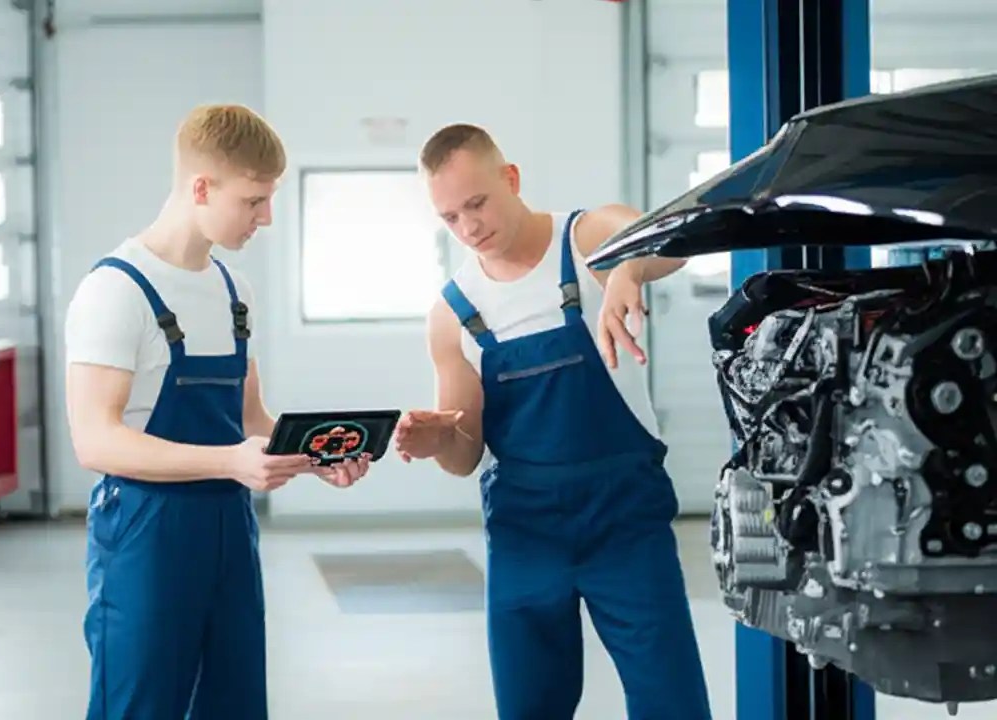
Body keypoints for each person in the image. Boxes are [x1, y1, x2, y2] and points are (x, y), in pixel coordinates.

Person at [394, 123, 711, 720]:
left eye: (478, 203)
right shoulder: (453, 312)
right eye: (451, 218)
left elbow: (676, 237)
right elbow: (466, 456)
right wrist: (437, 439)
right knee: (529, 706)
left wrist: (626, 269)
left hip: (626, 523)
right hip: (525, 534)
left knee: (671, 701)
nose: (470, 228)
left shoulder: (585, 237)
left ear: (510, 179)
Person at [64, 104, 371, 720]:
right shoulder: (116, 291)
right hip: (146, 532)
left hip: (229, 530)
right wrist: (229, 461)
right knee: (140, 706)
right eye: (254, 200)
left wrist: (317, 456)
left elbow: (250, 419)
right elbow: (95, 441)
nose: (267, 217)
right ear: (201, 188)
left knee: (232, 704)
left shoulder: (235, 292)